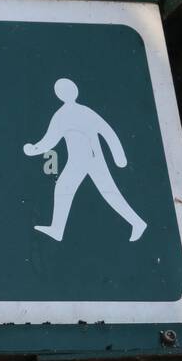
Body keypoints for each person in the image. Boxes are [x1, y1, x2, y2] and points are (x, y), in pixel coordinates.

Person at [23, 78, 147, 243]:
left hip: (85, 160)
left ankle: (137, 222)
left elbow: (50, 141)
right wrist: (119, 157)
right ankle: (57, 229)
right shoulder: (80, 111)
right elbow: (107, 132)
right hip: (86, 160)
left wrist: (32, 150)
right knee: (74, 189)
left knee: (106, 192)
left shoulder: (64, 115)